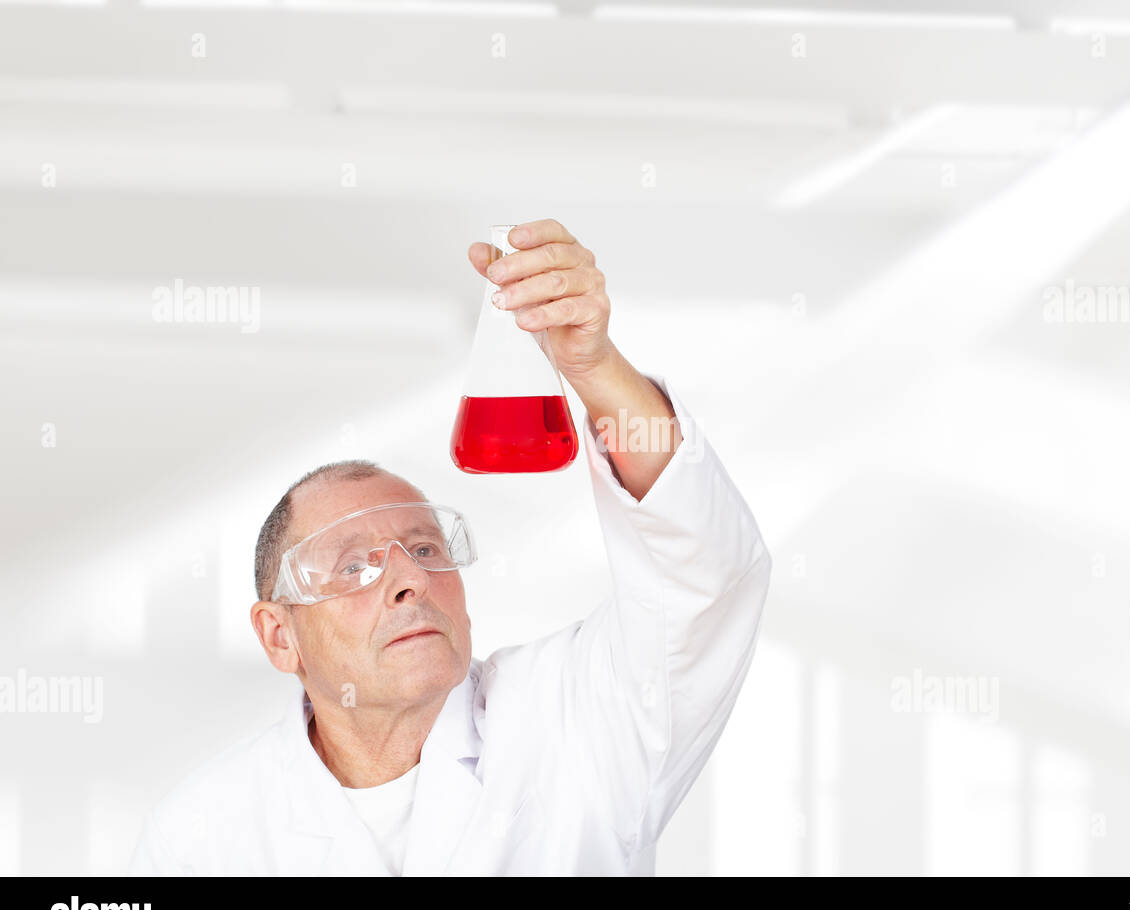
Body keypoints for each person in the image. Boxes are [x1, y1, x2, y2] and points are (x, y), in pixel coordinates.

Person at [127, 219, 772, 875]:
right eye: (354, 565)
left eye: (427, 548)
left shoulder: (569, 721)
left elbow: (703, 580)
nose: (408, 577)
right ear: (278, 636)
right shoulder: (204, 835)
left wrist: (594, 365)